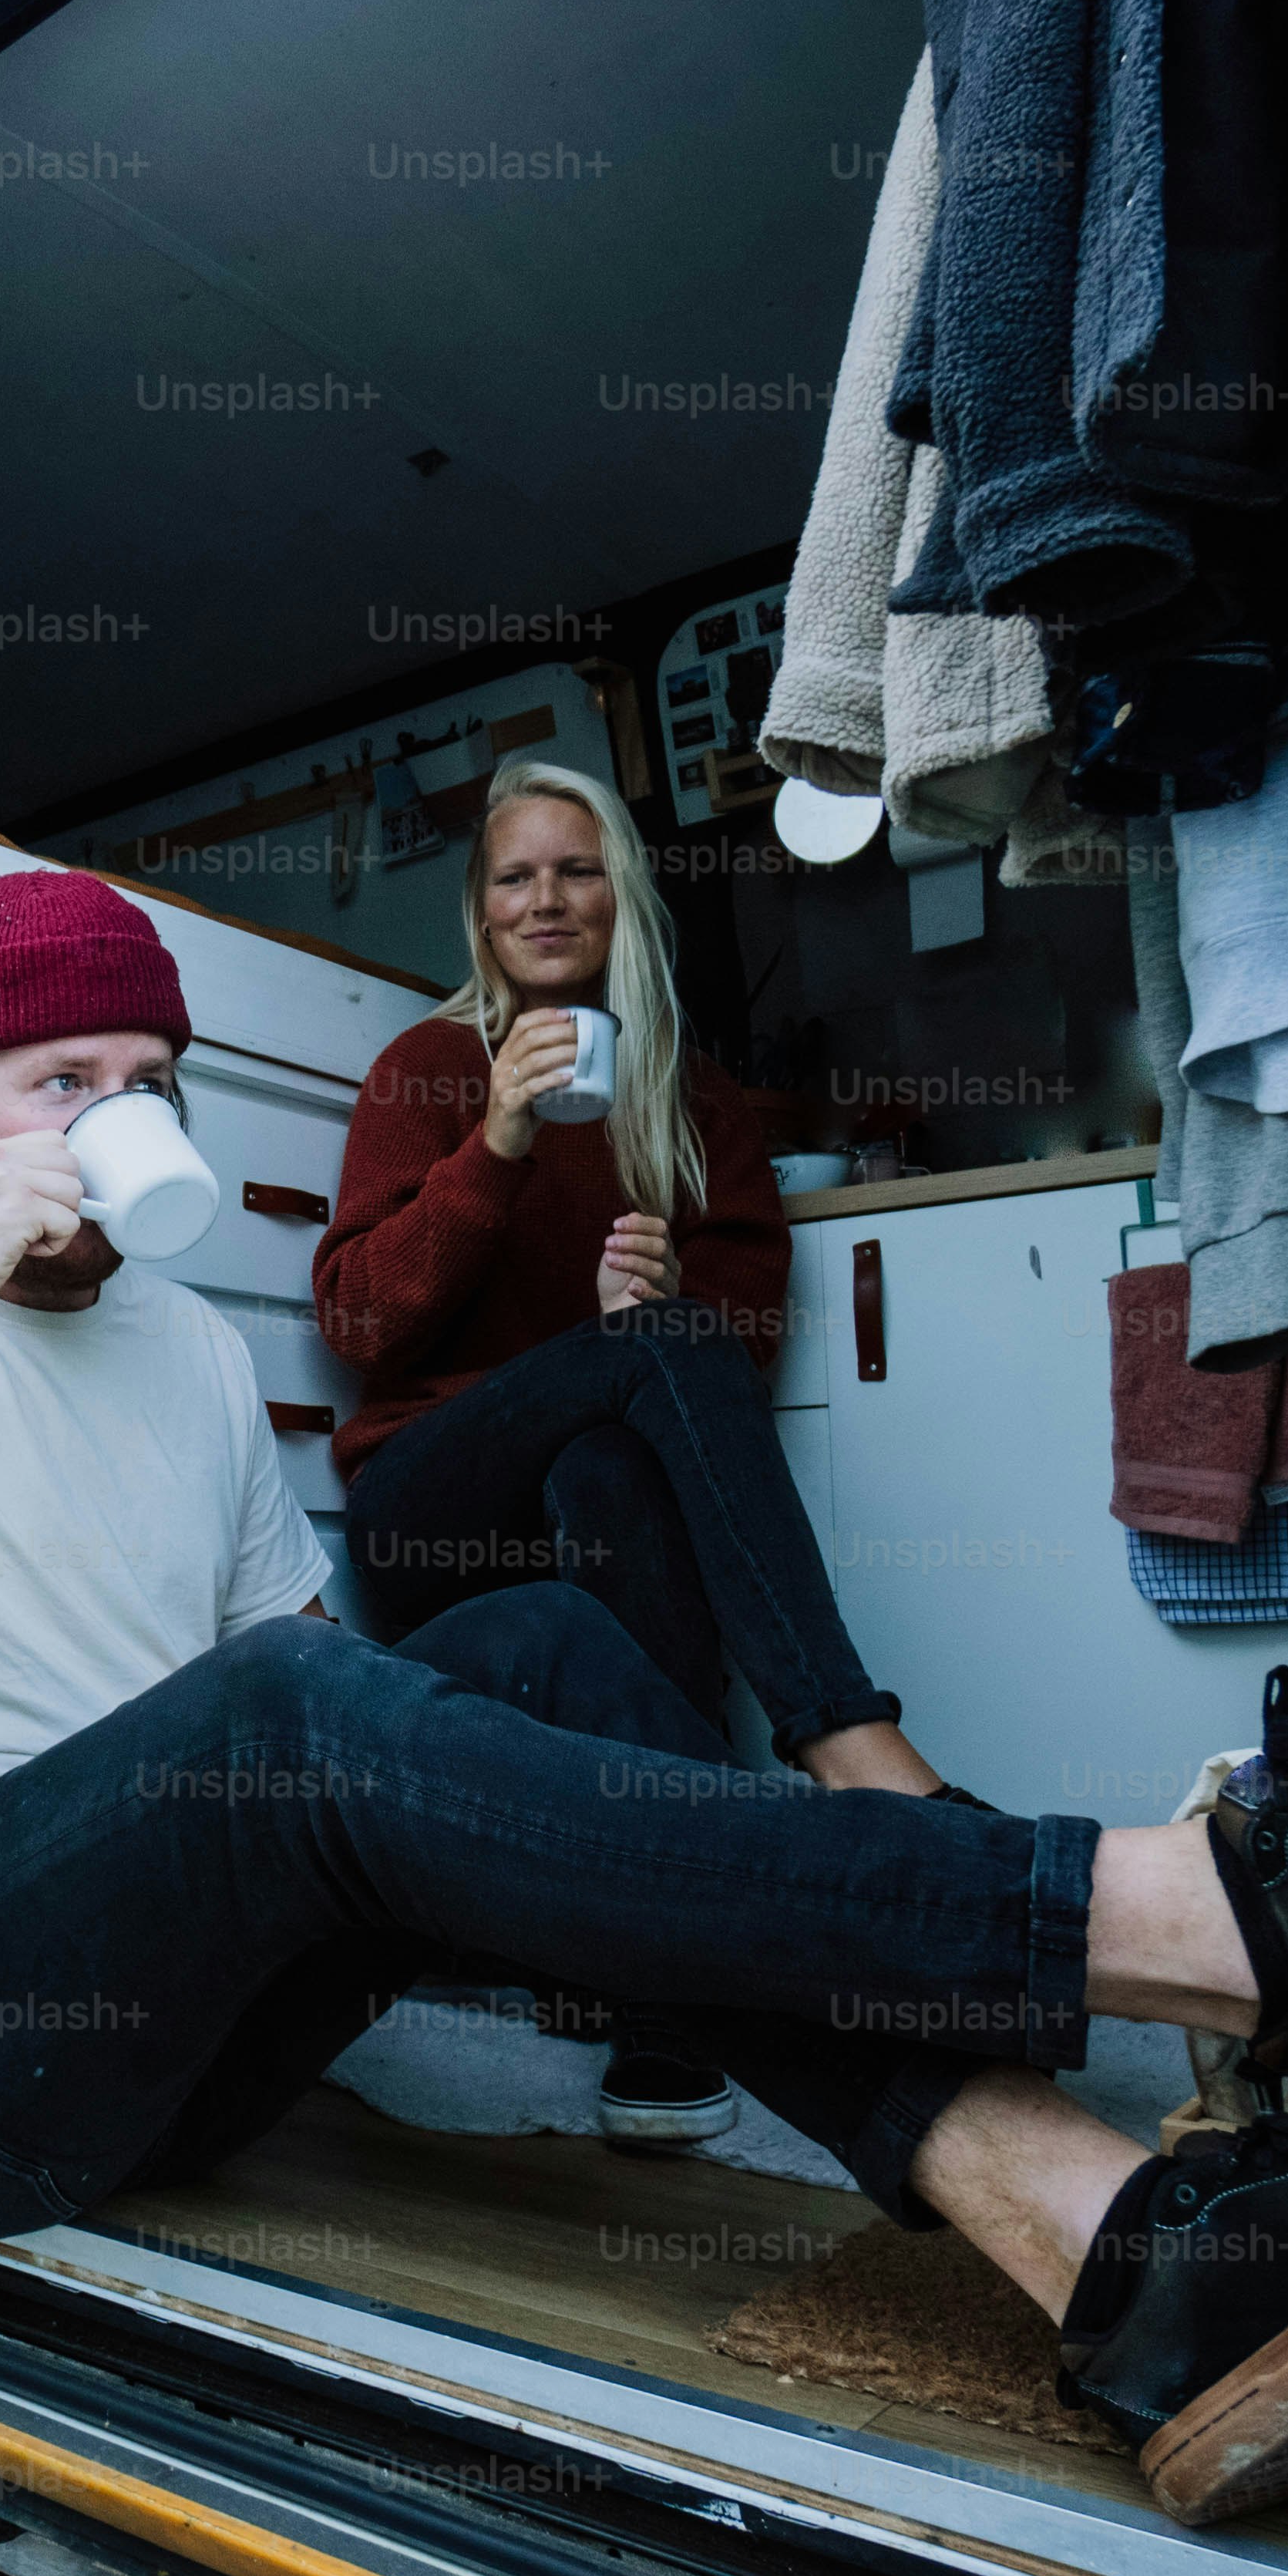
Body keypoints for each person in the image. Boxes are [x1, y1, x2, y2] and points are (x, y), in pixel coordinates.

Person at [0, 866, 1288, 2527]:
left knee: (544, 1650)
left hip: (154, 2040)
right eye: (63, 1088)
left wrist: (518, 1837)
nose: (117, 1124)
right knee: (285, 1712)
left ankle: (1113, 2246)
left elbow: (304, 1719)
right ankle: (1183, 1914)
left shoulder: (185, 1350)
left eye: (148, 1086)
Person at [318, 757, 936, 2147]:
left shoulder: (694, 1096)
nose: (546, 899)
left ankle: (660, 2017)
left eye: (576, 869)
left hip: (592, 1505)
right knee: (637, 1385)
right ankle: (851, 1747)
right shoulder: (427, 1072)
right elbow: (362, 1320)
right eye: (514, 876)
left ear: (624, 898)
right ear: (479, 916)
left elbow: (743, 1330)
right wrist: (498, 1142)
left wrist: (660, 1316)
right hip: (433, 1501)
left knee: (616, 1467)